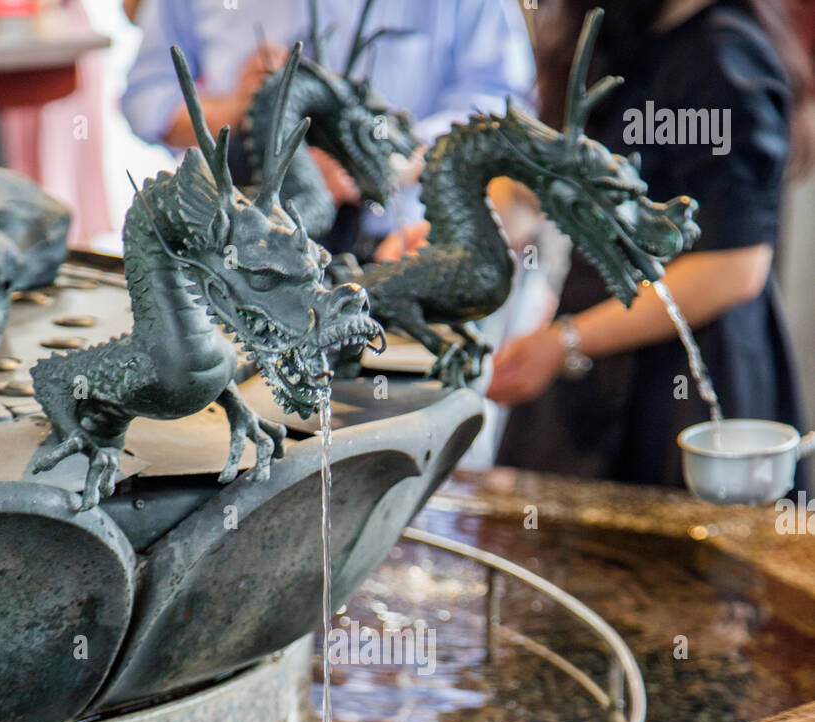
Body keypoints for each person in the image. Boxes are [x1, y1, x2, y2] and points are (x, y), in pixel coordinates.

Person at [489, 0, 814, 487]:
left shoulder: (724, 57)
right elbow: (552, 180)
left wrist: (566, 343)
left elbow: (735, 267)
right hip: (590, 351)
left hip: (681, 379)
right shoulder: (623, 33)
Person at [122, 0, 533, 252]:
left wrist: (394, 161)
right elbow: (146, 100)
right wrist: (236, 105)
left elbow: (500, 98)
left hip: (402, 239)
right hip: (247, 244)